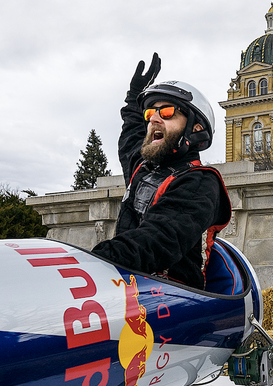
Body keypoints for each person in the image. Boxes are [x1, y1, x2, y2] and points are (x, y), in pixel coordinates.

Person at [91, 53, 232, 290]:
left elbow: (158, 240)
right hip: (127, 287)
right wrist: (132, 99)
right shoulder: (144, 170)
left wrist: (92, 261)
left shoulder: (200, 182)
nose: (154, 118)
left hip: (175, 301)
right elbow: (131, 137)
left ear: (195, 127)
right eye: (149, 113)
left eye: (167, 112)